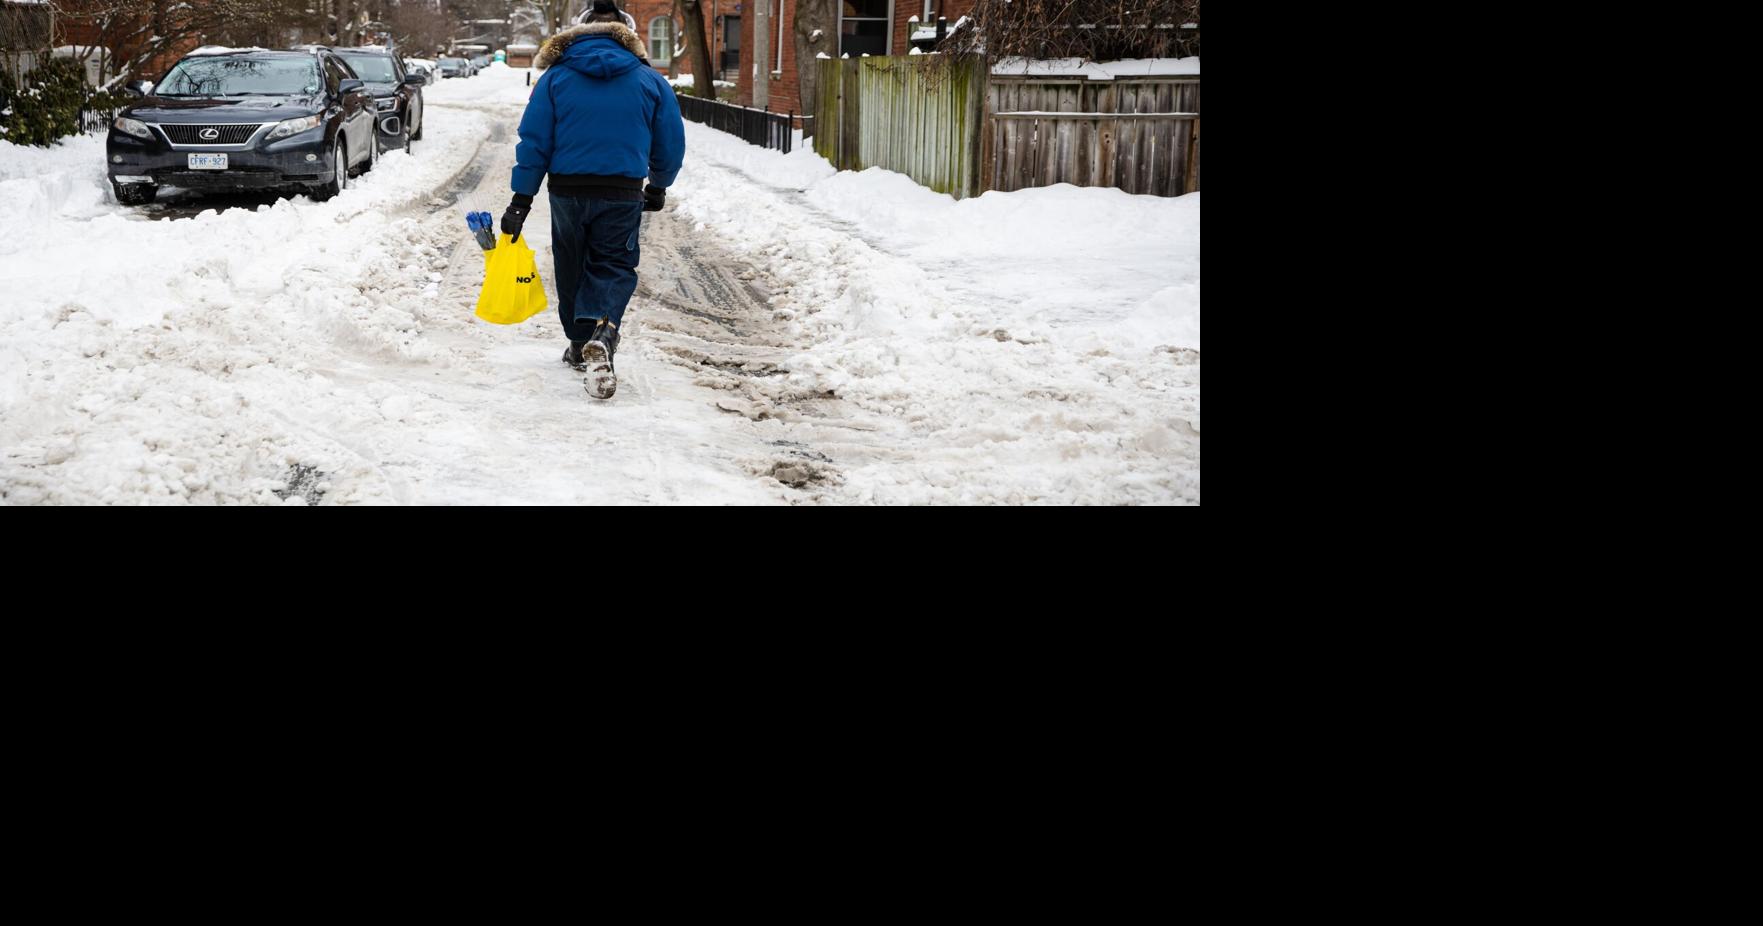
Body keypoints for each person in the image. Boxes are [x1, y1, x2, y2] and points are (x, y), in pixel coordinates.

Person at [502, 0, 685, 399]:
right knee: (614, 264)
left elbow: (535, 141)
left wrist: (521, 199)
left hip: (567, 189)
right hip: (621, 190)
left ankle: (577, 342)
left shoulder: (555, 78)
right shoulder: (648, 79)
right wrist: (657, 184)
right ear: (629, 33)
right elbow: (669, 140)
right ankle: (603, 331)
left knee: (571, 263)